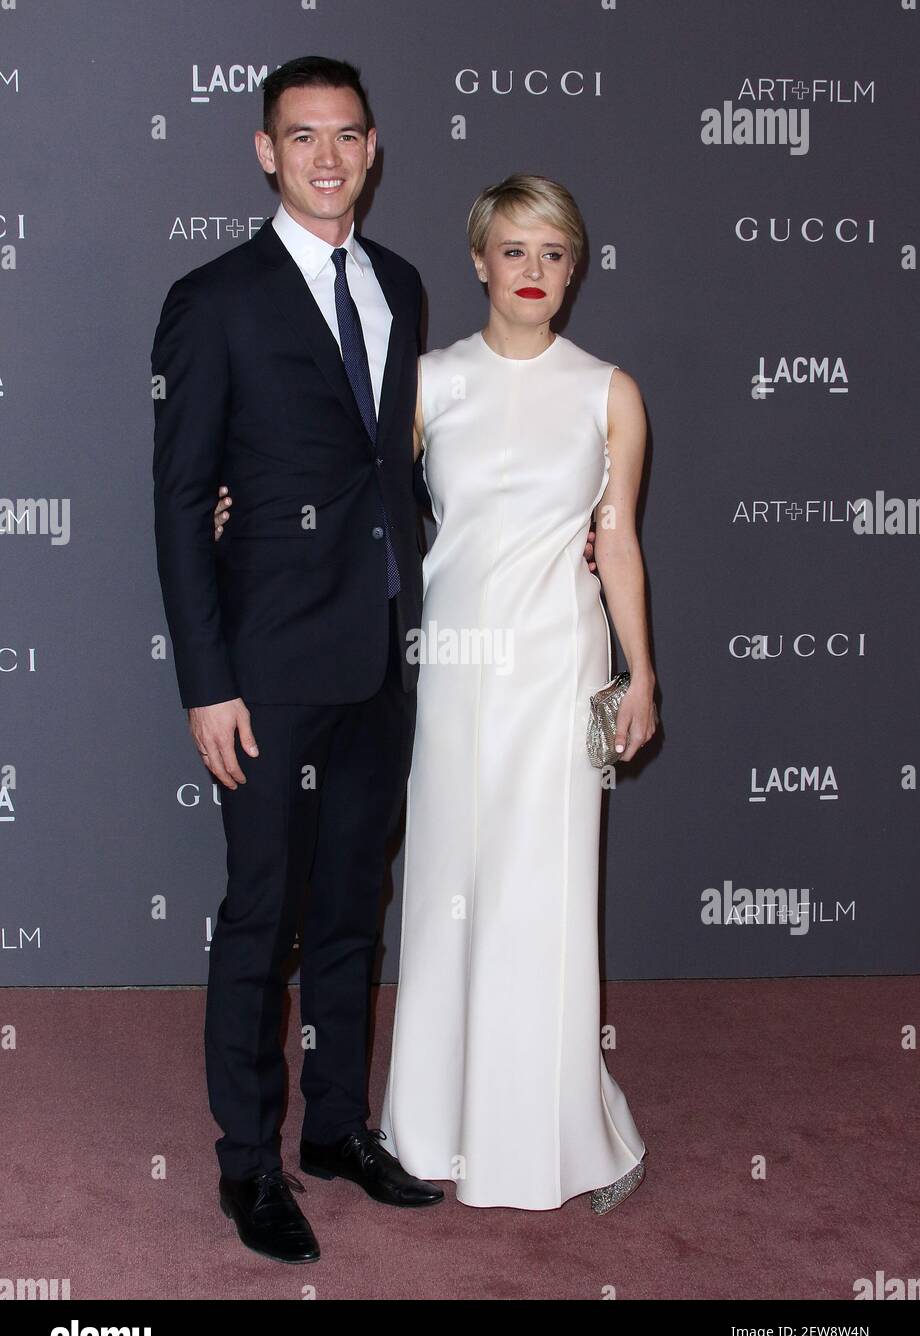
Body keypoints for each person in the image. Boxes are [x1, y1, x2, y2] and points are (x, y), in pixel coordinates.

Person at [216, 173, 657, 1214]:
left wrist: (640, 674)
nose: (533, 273)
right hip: (450, 670)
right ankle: (432, 1124)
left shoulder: (610, 391)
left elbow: (618, 541)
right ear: (476, 261)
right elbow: (343, 481)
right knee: (448, 891)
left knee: (544, 895)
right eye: (513, 251)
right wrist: (247, 498)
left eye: (553, 253)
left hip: (558, 668)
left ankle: (552, 1133)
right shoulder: (427, 381)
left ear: (574, 266)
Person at [151, 55, 444, 1266]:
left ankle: (335, 1129)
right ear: (265, 151)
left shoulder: (406, 287)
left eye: (346, 135)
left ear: (372, 149)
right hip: (265, 665)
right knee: (258, 914)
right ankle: (245, 1165)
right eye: (300, 135)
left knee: (348, 914)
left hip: (377, 651)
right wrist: (205, 681)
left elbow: (397, 466)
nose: (326, 156)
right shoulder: (211, 298)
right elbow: (177, 503)